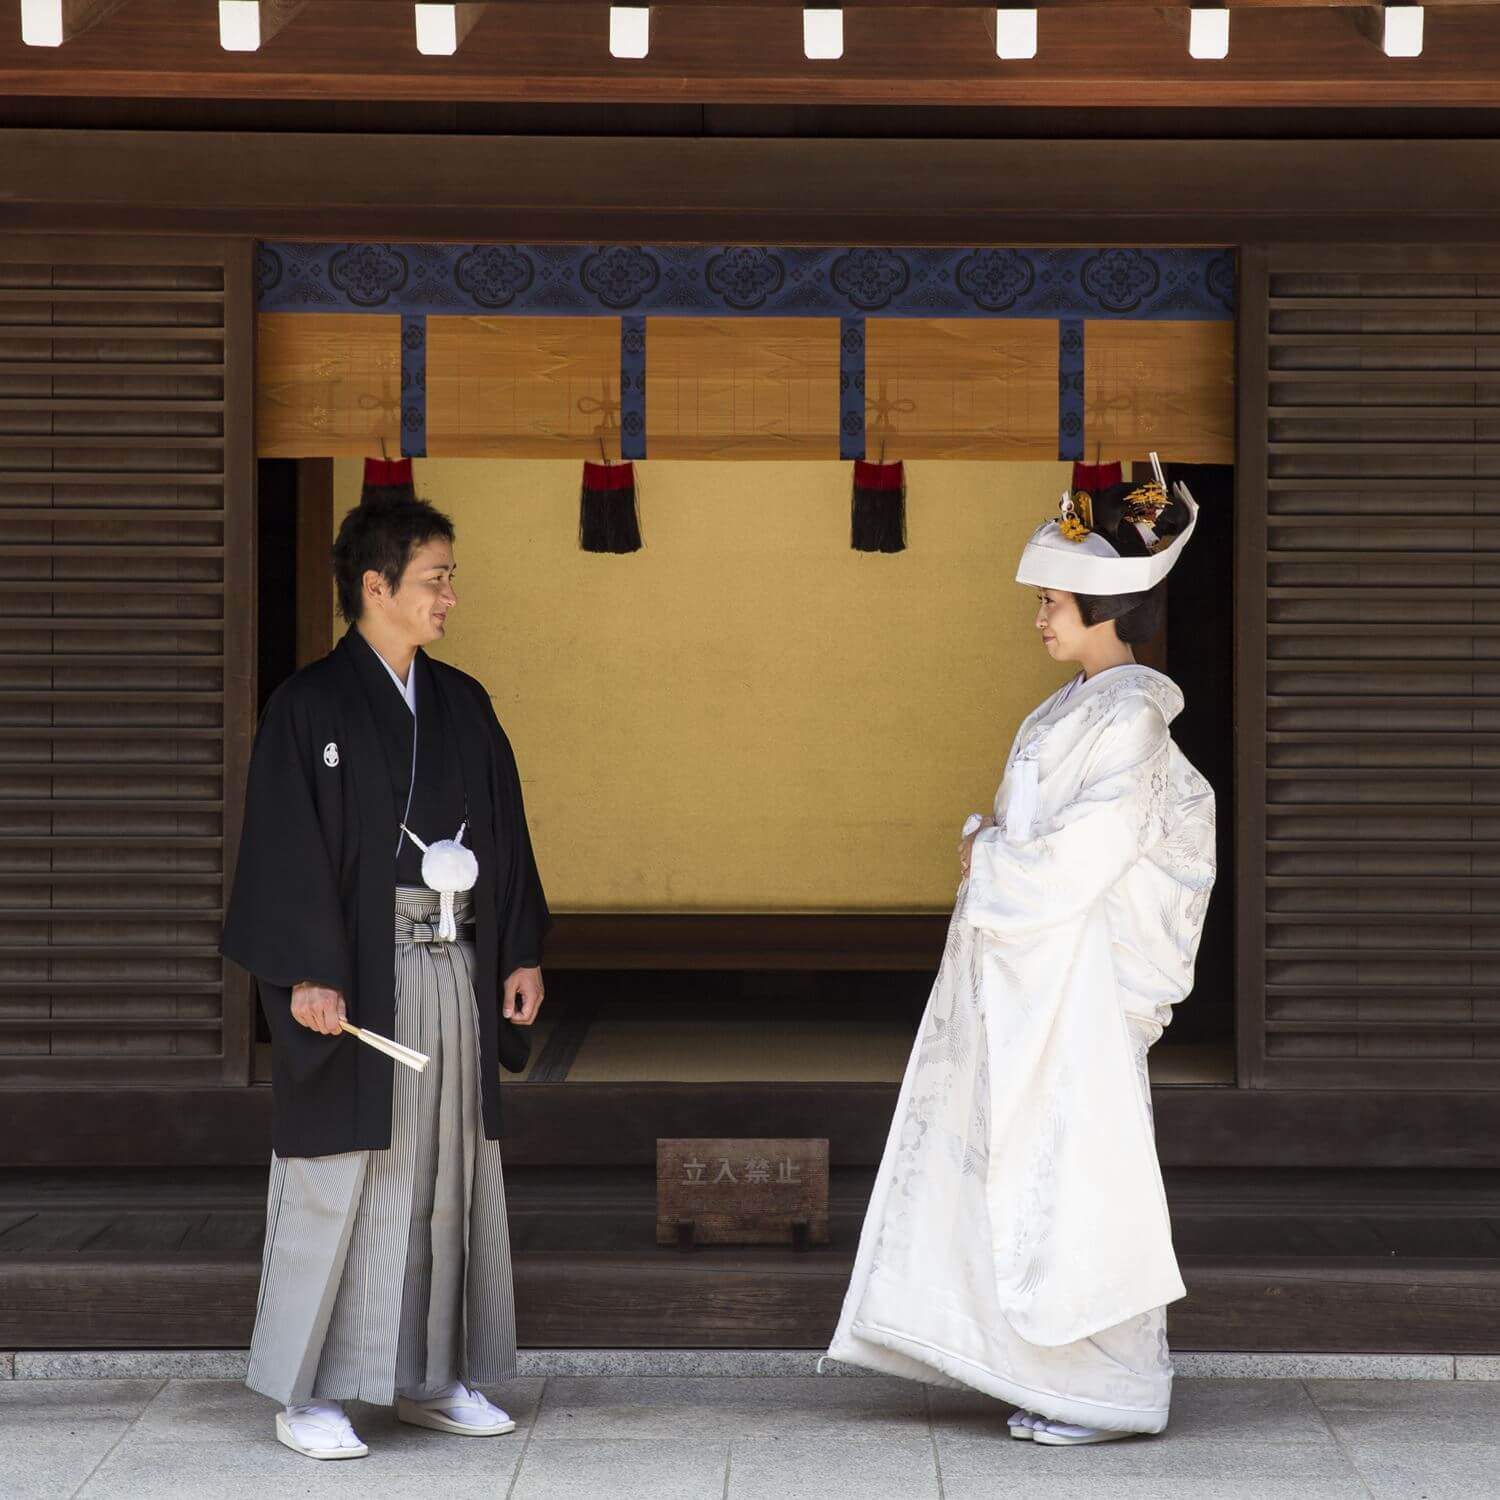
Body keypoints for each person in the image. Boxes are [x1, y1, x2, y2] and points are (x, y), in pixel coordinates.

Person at [825, 456, 1216, 1445]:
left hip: (1079, 988)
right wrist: (994, 844)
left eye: (1052, 602)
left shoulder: (1125, 717)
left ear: (1102, 607)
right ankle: (1056, 1378)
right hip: (1045, 983)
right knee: (1044, 1170)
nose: (1039, 619)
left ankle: (1114, 1390)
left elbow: (1079, 857)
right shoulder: (1075, 708)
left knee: (1086, 1176)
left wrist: (986, 852)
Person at [222, 459, 549, 1461]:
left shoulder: (464, 703)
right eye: (435, 577)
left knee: (447, 1167)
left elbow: (507, 830)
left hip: (451, 962)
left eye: (449, 577)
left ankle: (426, 1374)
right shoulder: (309, 707)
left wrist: (521, 952)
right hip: (355, 975)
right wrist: (306, 975)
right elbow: (283, 850)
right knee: (343, 1169)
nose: (450, 595)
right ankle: (309, 1389)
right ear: (377, 586)